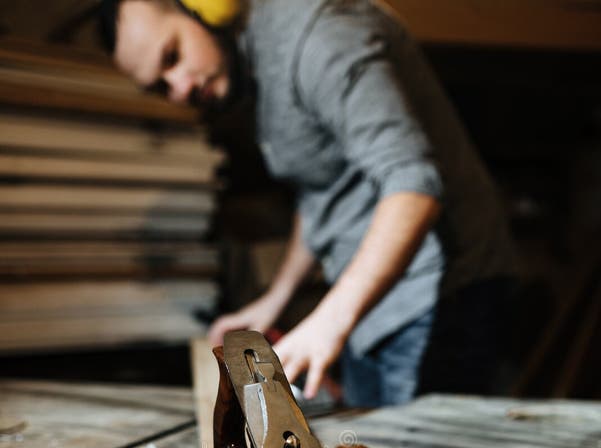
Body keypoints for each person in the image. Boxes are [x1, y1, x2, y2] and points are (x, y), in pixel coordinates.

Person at [102, 0, 518, 406]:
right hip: (372, 296)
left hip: (444, 289)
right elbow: (322, 190)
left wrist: (329, 320)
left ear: (207, 8)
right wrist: (276, 299)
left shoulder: (321, 35)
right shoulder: (253, 64)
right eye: (160, 86)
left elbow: (414, 186)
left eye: (173, 56)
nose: (180, 88)